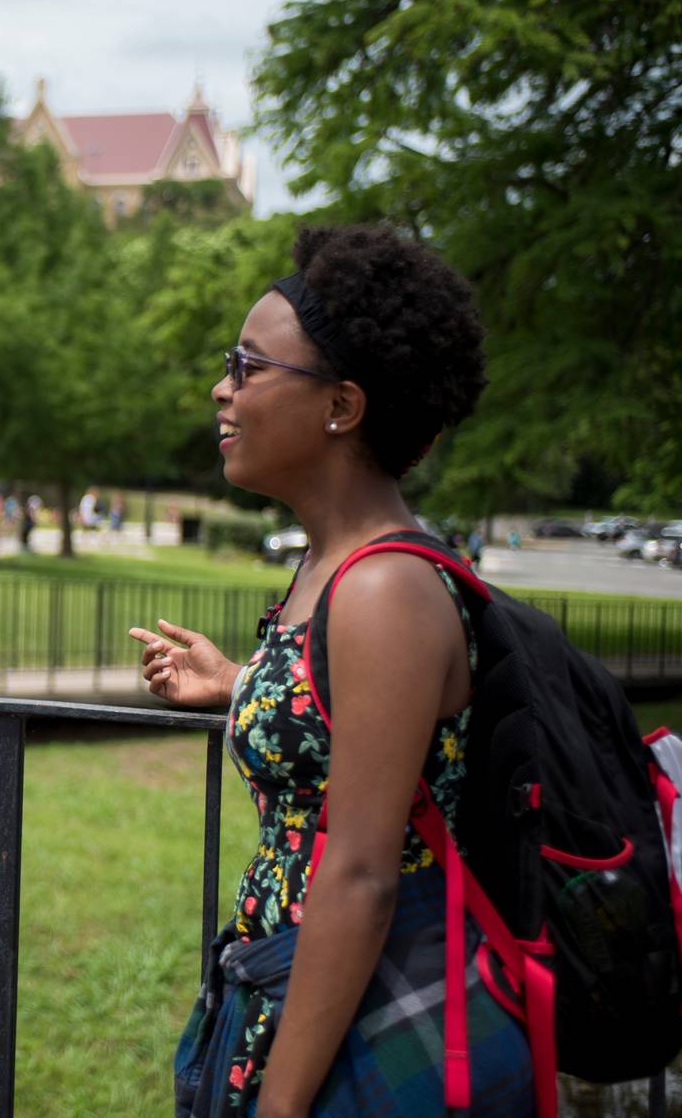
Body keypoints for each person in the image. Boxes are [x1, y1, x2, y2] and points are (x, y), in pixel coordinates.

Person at [127, 226, 530, 1116]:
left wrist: (280, 1107)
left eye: (248, 366)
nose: (220, 389)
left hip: (363, 1016)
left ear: (342, 407)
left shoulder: (387, 588)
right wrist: (239, 685)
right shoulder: (332, 564)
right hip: (285, 983)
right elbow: (357, 733)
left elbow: (360, 871)